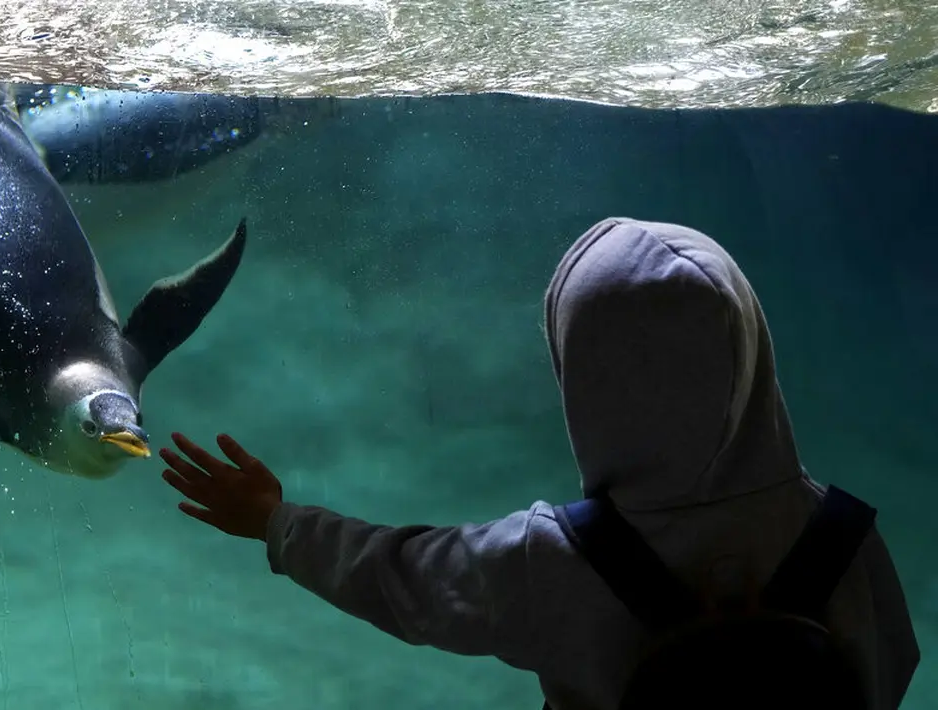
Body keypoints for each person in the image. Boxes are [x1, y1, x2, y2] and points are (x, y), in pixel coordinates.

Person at [159, 217, 920, 709]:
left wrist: (276, 521)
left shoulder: (552, 561)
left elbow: (397, 580)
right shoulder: (845, 536)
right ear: (750, 346)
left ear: (582, 375)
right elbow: (891, 667)